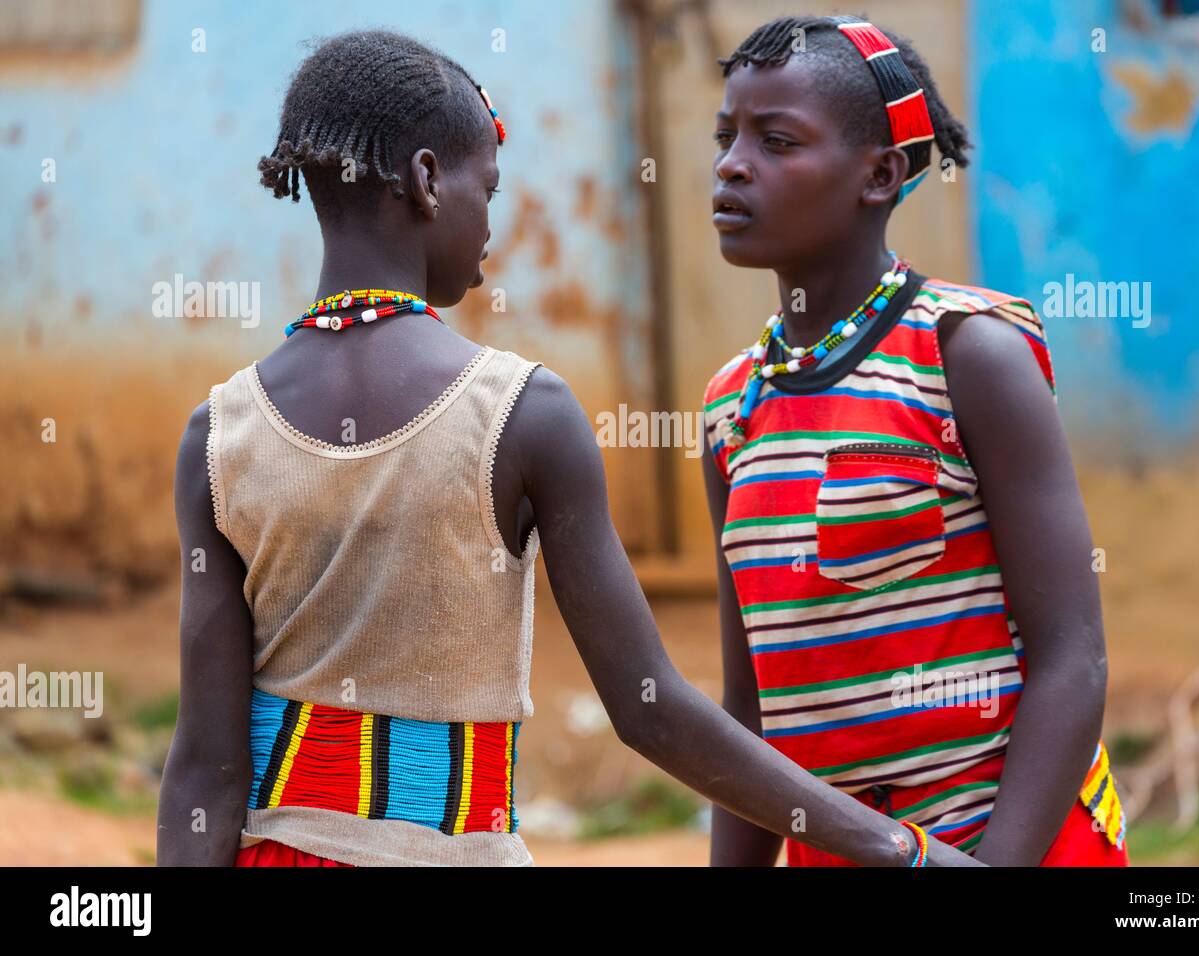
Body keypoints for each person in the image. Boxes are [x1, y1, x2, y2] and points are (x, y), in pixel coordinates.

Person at [155, 29, 980, 868]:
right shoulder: (519, 412)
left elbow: (204, 770)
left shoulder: (219, 433)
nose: (490, 226)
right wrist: (894, 847)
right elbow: (649, 707)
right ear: (429, 179)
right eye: (489, 188)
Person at [701, 15, 1129, 866]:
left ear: (880, 174)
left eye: (776, 140)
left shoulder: (967, 354)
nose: (731, 165)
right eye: (727, 136)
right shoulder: (731, 409)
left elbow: (1072, 659)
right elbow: (748, 710)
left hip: (1016, 842)